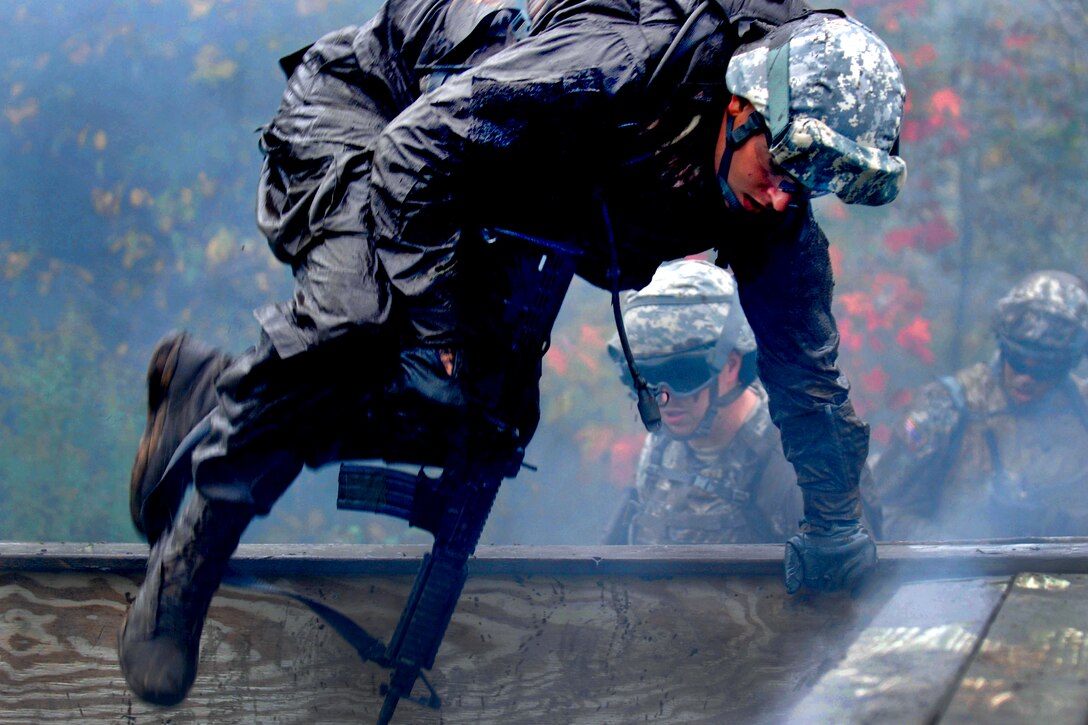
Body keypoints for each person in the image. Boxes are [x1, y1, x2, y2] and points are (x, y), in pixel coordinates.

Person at [118, 0, 907, 707]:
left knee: (483, 428)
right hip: (378, 112)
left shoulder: (772, 204)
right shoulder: (612, 65)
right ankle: (186, 567)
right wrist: (438, 337)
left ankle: (218, 391)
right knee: (354, 325)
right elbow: (410, 155)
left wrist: (835, 523)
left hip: (474, 181)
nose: (782, 197)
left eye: (805, 186)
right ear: (741, 107)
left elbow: (807, 372)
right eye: (778, 169)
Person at [602, 259, 882, 545]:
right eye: (645, 376)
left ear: (731, 365)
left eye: (682, 374)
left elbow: (851, 584)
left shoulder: (799, 467)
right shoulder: (661, 448)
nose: (663, 397)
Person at [873, 270, 1088, 540]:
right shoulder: (945, 409)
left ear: (1068, 363)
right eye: (1018, 360)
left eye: (1045, 369)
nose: (1026, 379)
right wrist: (952, 552)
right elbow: (883, 511)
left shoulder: (1082, 412)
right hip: (955, 576)